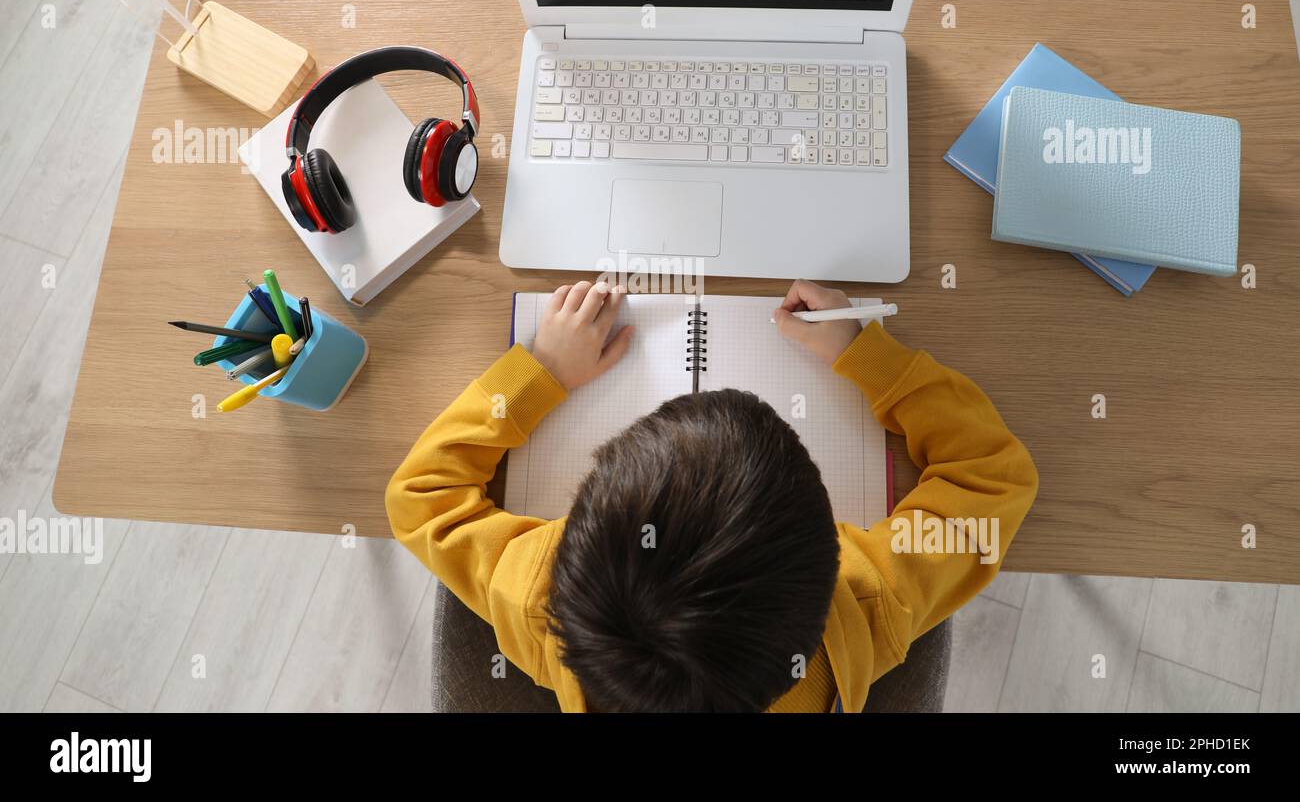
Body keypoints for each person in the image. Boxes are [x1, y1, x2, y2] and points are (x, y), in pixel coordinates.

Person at [387, 279, 1038, 711]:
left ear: (576, 534)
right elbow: (991, 474)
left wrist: (543, 371)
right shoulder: (861, 605)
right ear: (832, 552)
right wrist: (870, 358)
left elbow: (420, 495)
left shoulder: (540, 598)